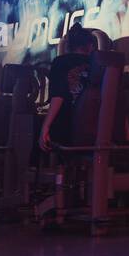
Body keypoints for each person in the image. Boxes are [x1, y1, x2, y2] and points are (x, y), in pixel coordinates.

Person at [37, 25, 96, 227]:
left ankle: (57, 198)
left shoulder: (61, 62)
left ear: (69, 46)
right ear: (90, 46)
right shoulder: (99, 64)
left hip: (67, 131)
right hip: (95, 131)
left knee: (44, 140)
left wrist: (45, 127)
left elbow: (59, 96)